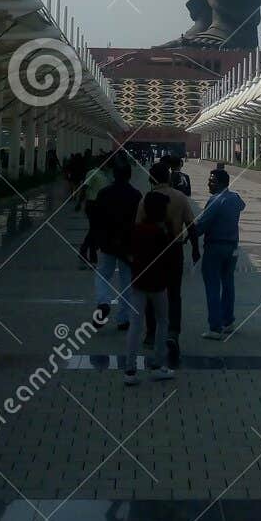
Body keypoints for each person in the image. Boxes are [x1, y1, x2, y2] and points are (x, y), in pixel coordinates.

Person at [137, 160, 196, 365]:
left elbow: (138, 227)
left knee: (151, 292)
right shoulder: (180, 197)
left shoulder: (146, 199)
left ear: (151, 179)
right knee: (174, 294)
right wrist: (196, 249)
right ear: (168, 178)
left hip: (151, 251)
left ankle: (151, 333)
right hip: (174, 250)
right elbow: (191, 224)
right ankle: (173, 332)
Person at [124, 189, 178, 385]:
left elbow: (128, 253)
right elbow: (170, 258)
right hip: (158, 284)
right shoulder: (162, 233)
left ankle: (130, 371)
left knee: (135, 325)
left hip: (138, 282)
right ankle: (157, 365)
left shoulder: (137, 230)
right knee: (163, 321)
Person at [81, 152, 139, 327]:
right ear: (129, 176)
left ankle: (104, 302)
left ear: (114, 175)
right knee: (126, 280)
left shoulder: (104, 193)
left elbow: (97, 219)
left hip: (108, 243)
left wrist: (97, 240)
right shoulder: (136, 195)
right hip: (128, 244)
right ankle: (123, 318)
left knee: (102, 275)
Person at [190, 166, 245, 339]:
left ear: (221, 183)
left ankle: (215, 327)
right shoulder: (235, 198)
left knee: (213, 286)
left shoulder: (215, 200)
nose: (209, 183)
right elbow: (242, 206)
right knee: (228, 284)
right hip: (232, 247)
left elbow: (202, 225)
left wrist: (187, 234)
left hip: (215, 247)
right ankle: (228, 321)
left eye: (212, 181)